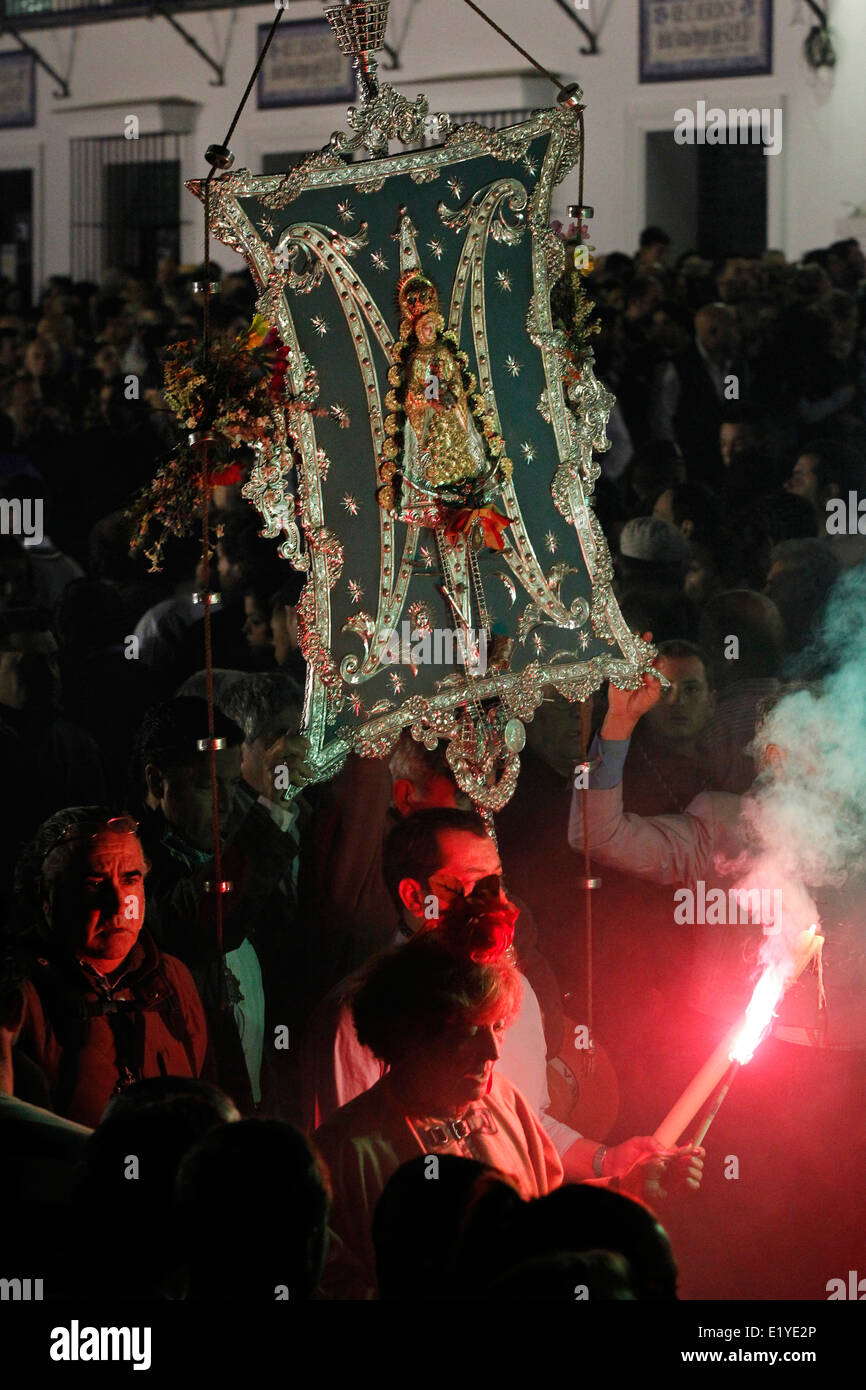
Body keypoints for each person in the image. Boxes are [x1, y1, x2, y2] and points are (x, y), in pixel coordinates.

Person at [136, 696, 307, 1116]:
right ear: (158, 784)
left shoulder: (231, 853)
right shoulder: (137, 872)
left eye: (231, 785)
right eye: (206, 785)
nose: (226, 804)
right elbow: (203, 918)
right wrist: (272, 808)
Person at [13, 808, 207, 1128]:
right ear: (43, 894)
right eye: (94, 884)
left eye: (130, 879)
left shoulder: (174, 979)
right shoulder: (18, 990)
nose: (117, 904)